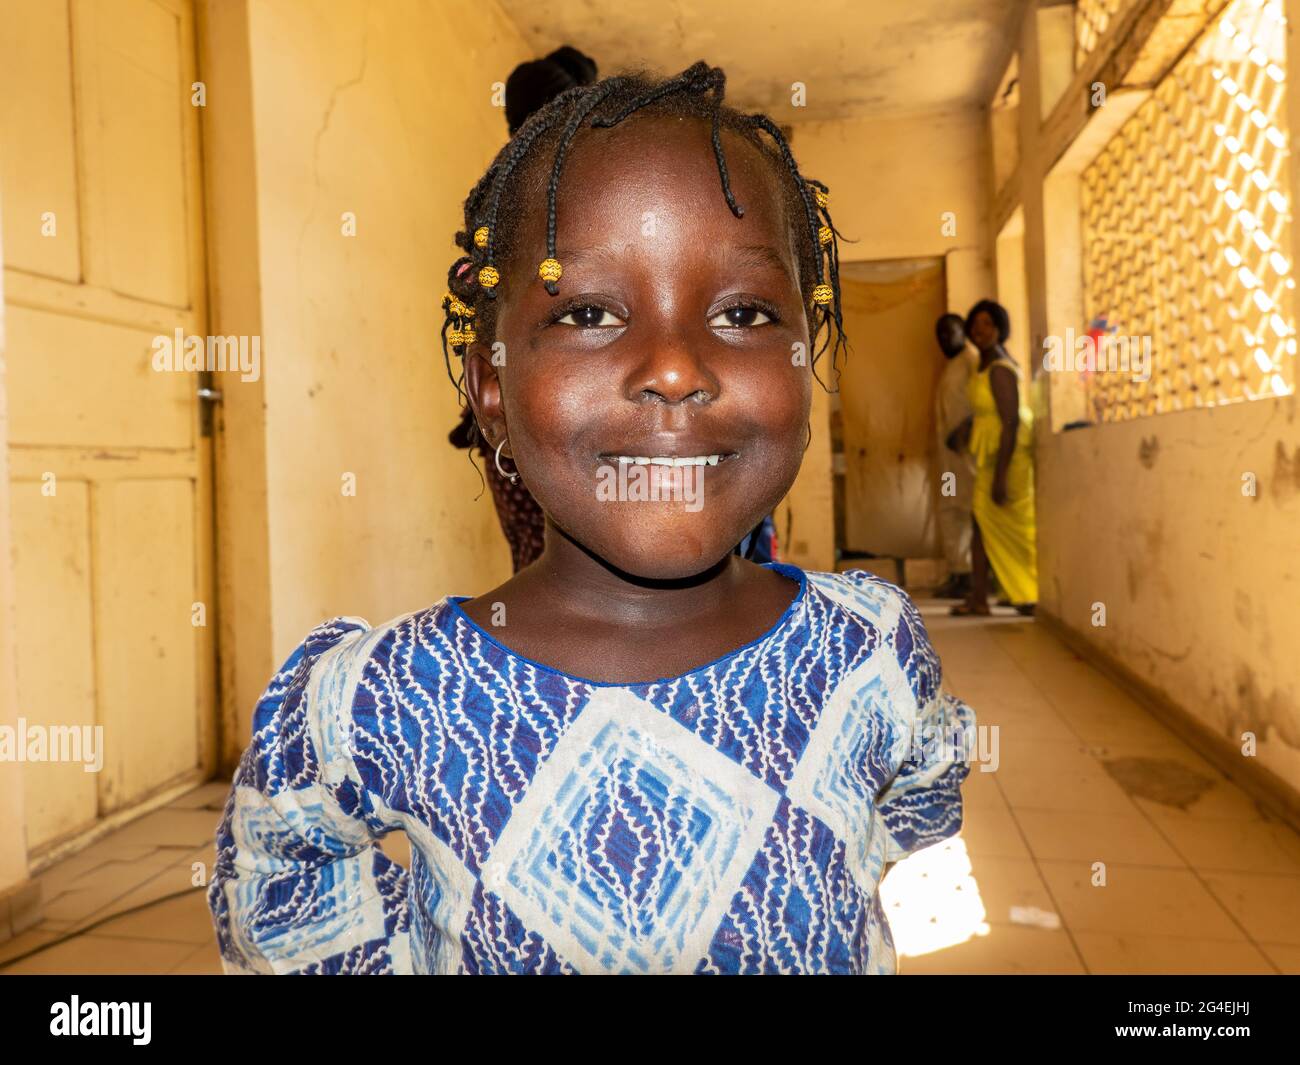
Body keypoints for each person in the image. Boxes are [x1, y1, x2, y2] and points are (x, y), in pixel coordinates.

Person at [208, 62, 975, 975]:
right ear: (491, 385)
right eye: (587, 310)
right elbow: (272, 863)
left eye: (742, 311)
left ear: (808, 361)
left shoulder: (870, 646)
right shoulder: (391, 696)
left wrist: (909, 936)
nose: (676, 368)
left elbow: (924, 810)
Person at [449, 45, 600, 572]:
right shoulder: (518, 196)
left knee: (547, 561)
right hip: (519, 403)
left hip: (515, 403)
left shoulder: (514, 194)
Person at [951, 299, 1038, 616]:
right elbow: (985, 411)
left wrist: (1001, 475)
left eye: (987, 323)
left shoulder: (1000, 368)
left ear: (1000, 329)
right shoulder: (983, 365)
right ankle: (986, 597)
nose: (979, 329)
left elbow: (1011, 422)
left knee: (1014, 527)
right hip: (992, 458)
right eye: (975, 324)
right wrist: (966, 426)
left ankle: (1029, 591)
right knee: (981, 523)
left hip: (1008, 458)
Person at [932, 313, 975, 600]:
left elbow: (982, 404)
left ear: (963, 332)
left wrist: (967, 430)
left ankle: (970, 576)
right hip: (949, 457)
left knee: (965, 512)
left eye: (952, 332)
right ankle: (959, 572)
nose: (947, 339)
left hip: (967, 454)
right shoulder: (952, 366)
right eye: (942, 334)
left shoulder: (972, 362)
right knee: (950, 511)